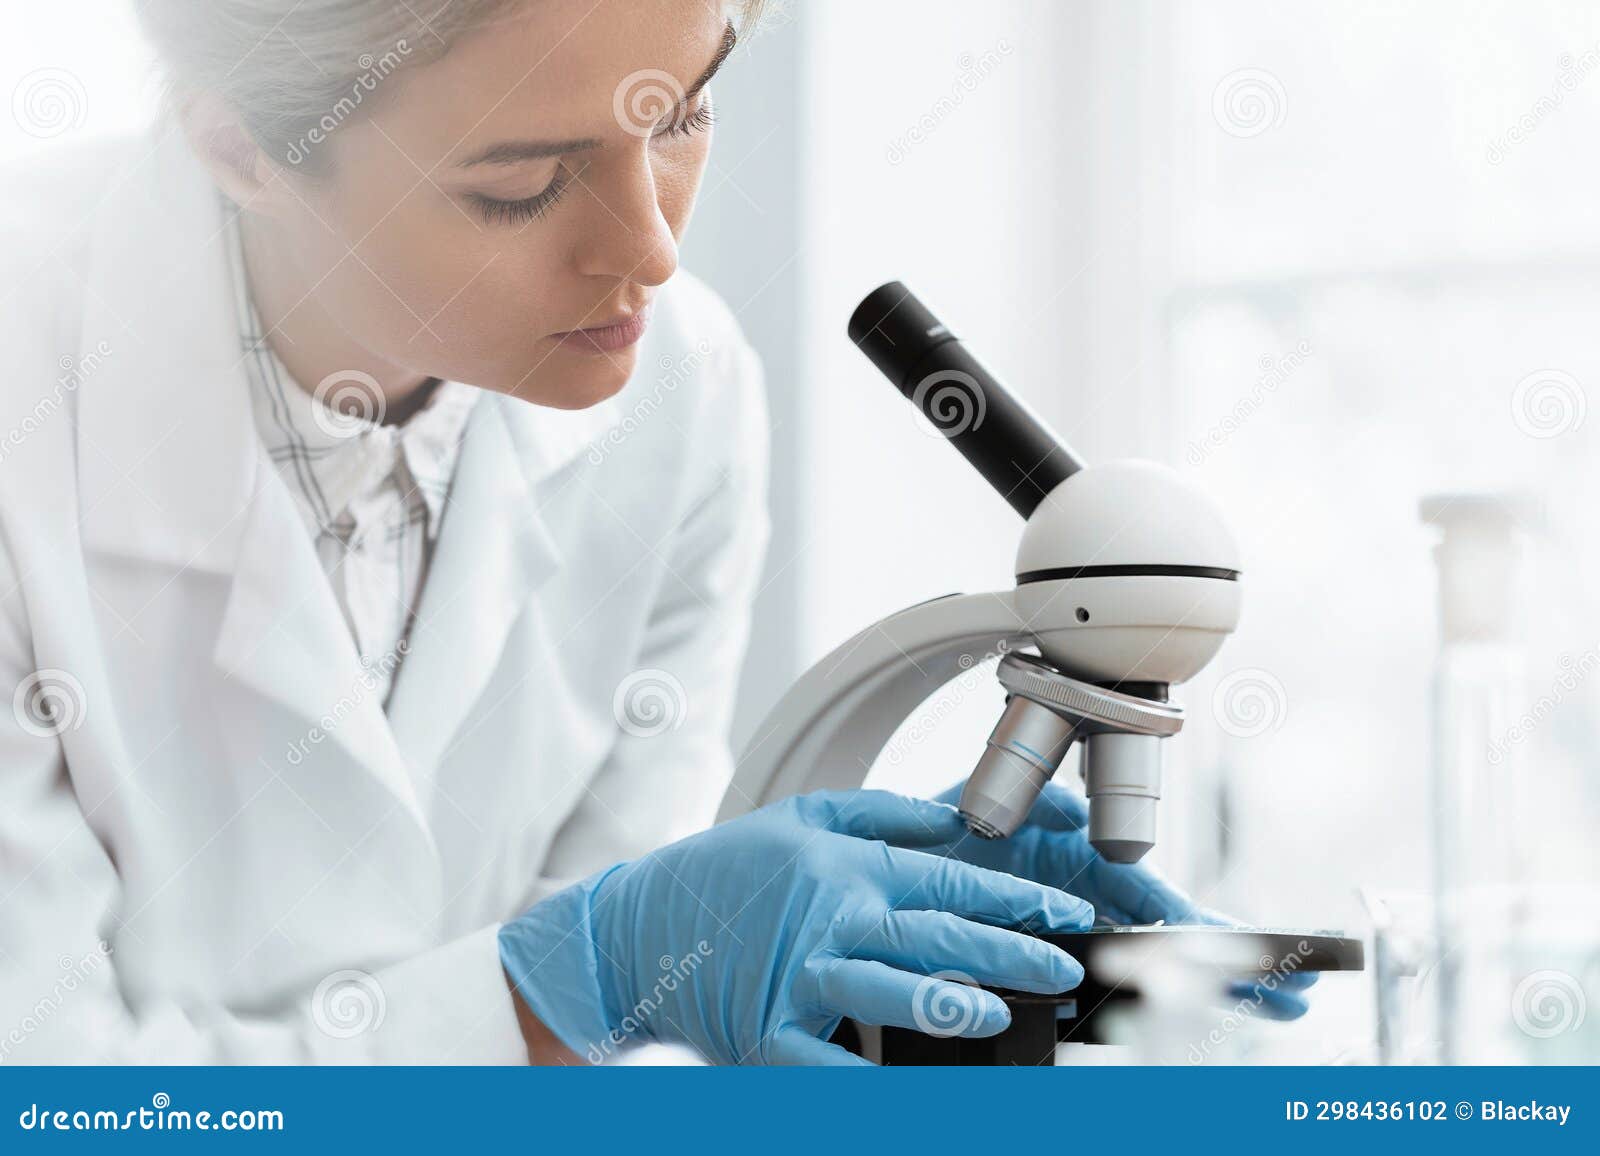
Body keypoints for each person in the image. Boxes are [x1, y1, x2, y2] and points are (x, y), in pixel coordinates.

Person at [0, 0, 1310, 1065]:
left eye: (681, 113)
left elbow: (618, 1028)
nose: (650, 250)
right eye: (520, 186)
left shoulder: (684, 391)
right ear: (240, 150)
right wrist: (582, 975)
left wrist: (821, 925)